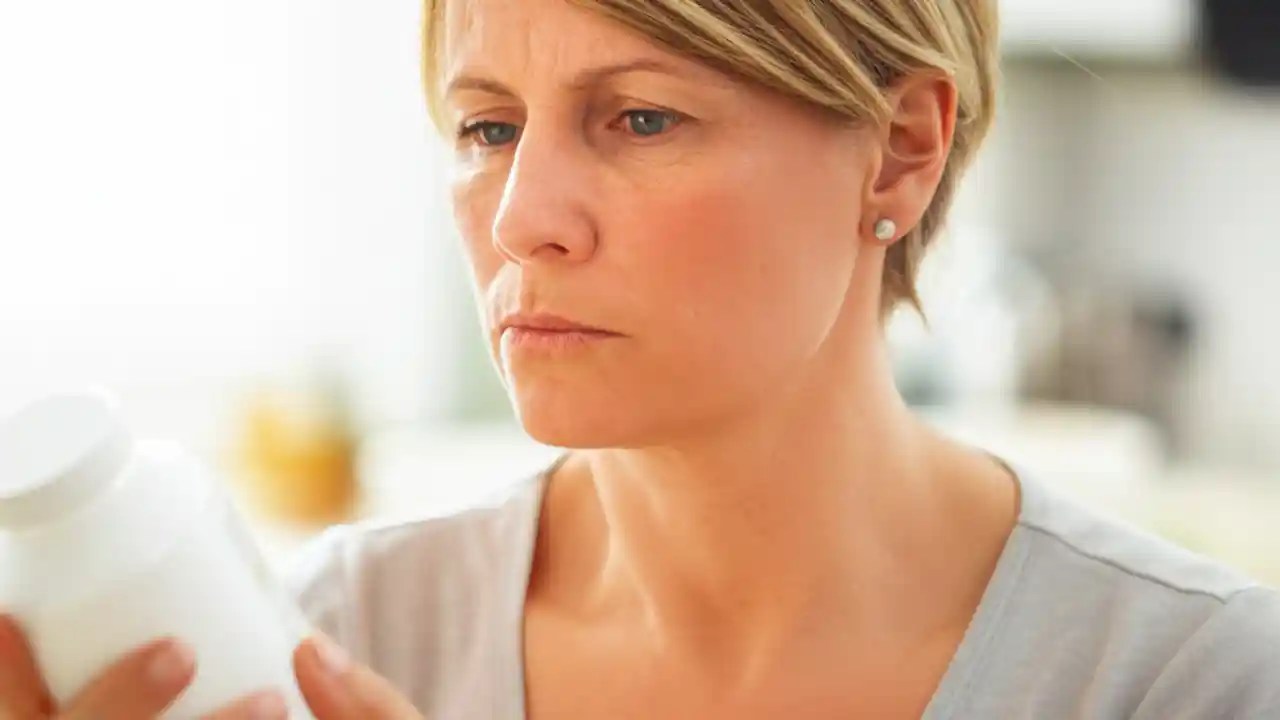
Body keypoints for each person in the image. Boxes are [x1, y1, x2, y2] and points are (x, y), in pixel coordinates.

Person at [3, 0, 1280, 717]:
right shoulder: (328, 640)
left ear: (898, 151)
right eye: (487, 128)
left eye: (641, 118)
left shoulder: (1189, 681)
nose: (521, 220)